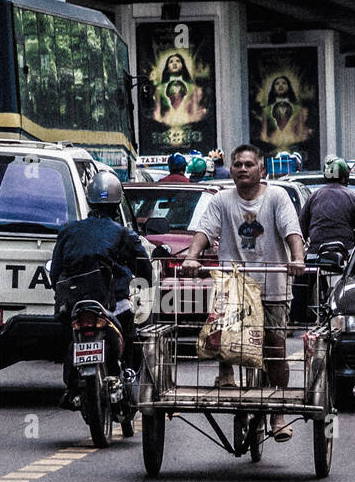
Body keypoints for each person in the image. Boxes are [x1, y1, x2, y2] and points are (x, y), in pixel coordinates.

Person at [181, 144, 305, 442]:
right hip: (233, 283)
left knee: (275, 347)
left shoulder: (277, 197)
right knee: (223, 333)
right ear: (231, 169)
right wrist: (192, 256)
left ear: (261, 170)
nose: (243, 169)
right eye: (237, 164)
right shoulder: (222, 200)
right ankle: (225, 373)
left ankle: (278, 414)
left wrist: (297, 258)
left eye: (249, 164)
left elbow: (292, 231)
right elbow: (204, 231)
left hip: (272, 284)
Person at [50, 172, 153, 411]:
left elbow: (55, 272)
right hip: (114, 303)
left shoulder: (68, 231)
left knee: (68, 337)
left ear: (90, 199)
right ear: (117, 203)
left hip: (75, 304)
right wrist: (141, 281)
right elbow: (144, 268)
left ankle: (72, 388)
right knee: (131, 335)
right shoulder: (124, 234)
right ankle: (126, 372)